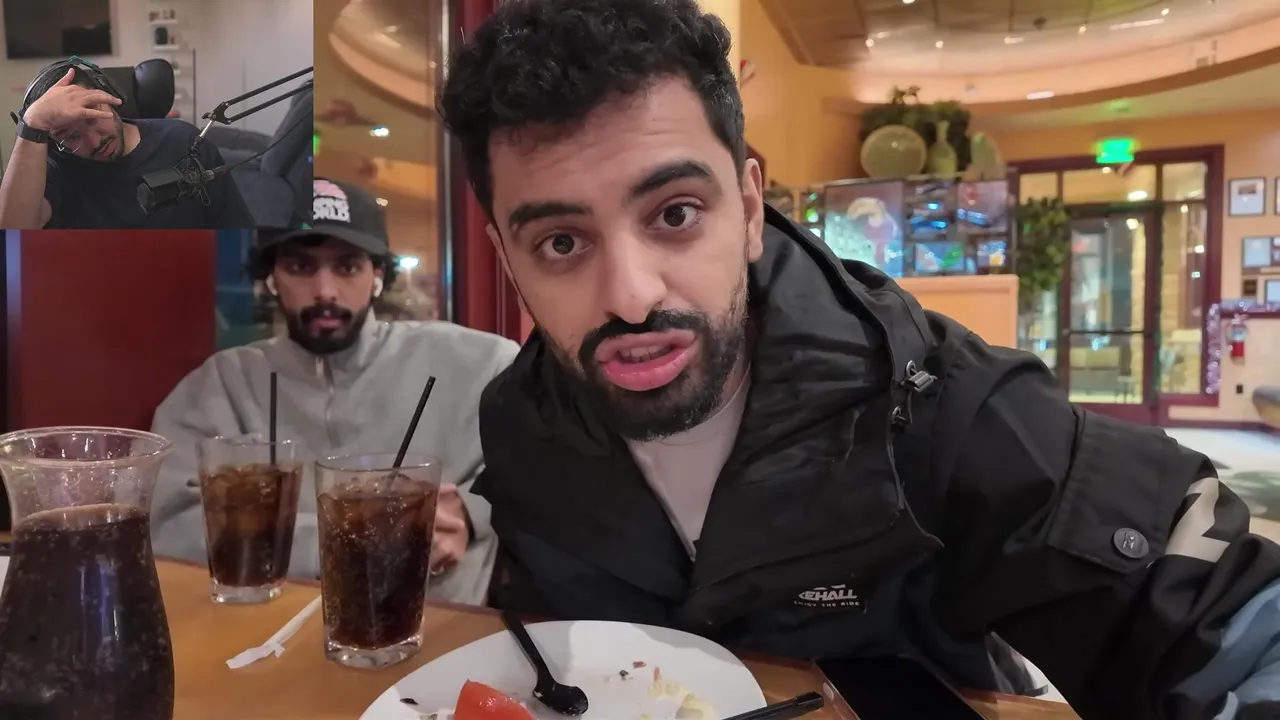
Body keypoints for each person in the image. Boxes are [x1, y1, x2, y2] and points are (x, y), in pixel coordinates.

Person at [438, 1, 1280, 716]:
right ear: (507, 260)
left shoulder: (936, 405)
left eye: (675, 213)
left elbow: (1243, 625)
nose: (629, 295)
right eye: (561, 242)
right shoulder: (521, 424)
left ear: (749, 206)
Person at [150, 177, 519, 605]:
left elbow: (546, 465)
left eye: (347, 267)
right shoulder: (221, 383)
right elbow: (167, 525)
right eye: (300, 267)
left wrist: (470, 512)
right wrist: (349, 538)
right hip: (268, 627)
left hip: (445, 623)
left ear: (377, 274)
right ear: (272, 277)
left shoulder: (478, 361)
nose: (325, 291)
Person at [0, 59, 254, 229]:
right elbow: (12, 231)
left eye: (92, 117)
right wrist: (32, 124)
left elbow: (236, 230)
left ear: (108, 93)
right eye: (72, 136)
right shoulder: (54, 168)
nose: (95, 141)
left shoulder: (184, 141)